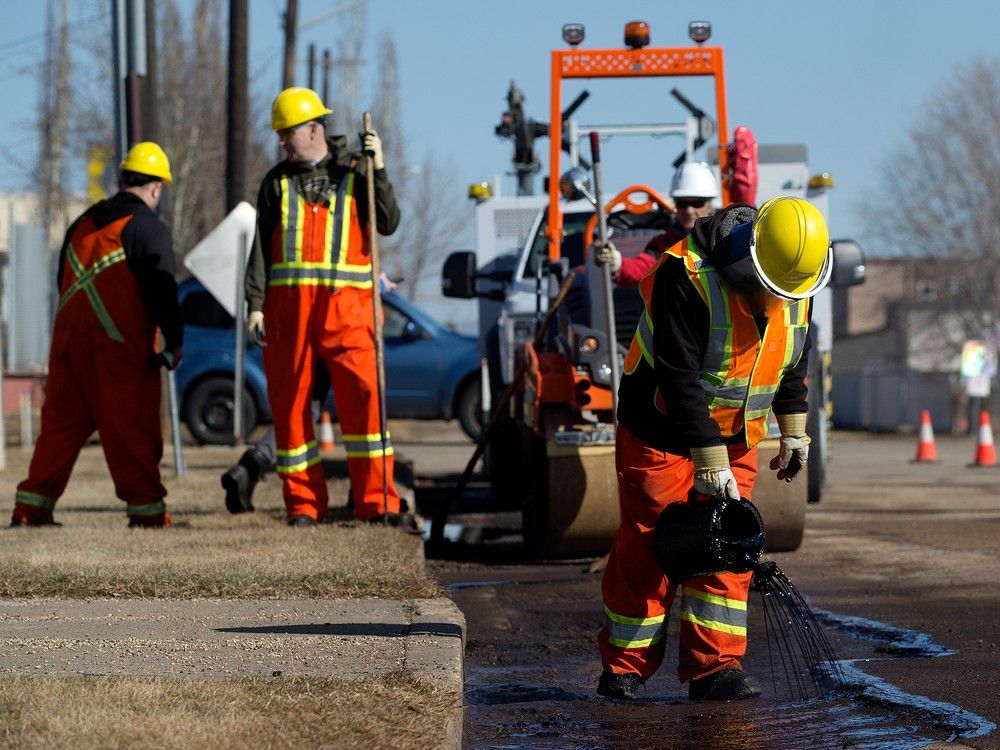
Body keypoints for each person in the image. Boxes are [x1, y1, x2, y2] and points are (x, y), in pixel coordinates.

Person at [596, 197, 831, 701]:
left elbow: (793, 363)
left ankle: (715, 667)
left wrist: (794, 431)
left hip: (737, 436)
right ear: (751, 254)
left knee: (728, 547)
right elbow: (679, 380)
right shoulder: (684, 275)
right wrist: (708, 460)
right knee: (651, 547)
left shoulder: (796, 282)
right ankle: (625, 667)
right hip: (659, 431)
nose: (779, 298)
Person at [244, 86, 404, 527]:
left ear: (314, 128)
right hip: (288, 315)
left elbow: (388, 222)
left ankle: (378, 503)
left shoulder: (357, 171)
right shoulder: (274, 184)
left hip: (348, 313)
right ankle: (303, 507)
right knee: (291, 407)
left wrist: (381, 168)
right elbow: (260, 249)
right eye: (278, 133)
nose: (280, 141)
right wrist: (254, 304)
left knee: (366, 403)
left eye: (287, 132)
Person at [11, 142, 182, 529]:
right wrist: (175, 340)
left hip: (68, 348)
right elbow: (163, 290)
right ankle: (148, 514)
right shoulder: (147, 228)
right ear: (156, 188)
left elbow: (61, 281)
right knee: (132, 428)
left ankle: (31, 509)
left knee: (59, 431)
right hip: (119, 350)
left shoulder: (81, 224)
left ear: (122, 181)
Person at [593, 161, 718, 286]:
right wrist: (617, 264)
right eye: (682, 203)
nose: (689, 210)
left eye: (697, 203)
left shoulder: (724, 239)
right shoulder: (662, 244)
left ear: (710, 204)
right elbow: (643, 269)